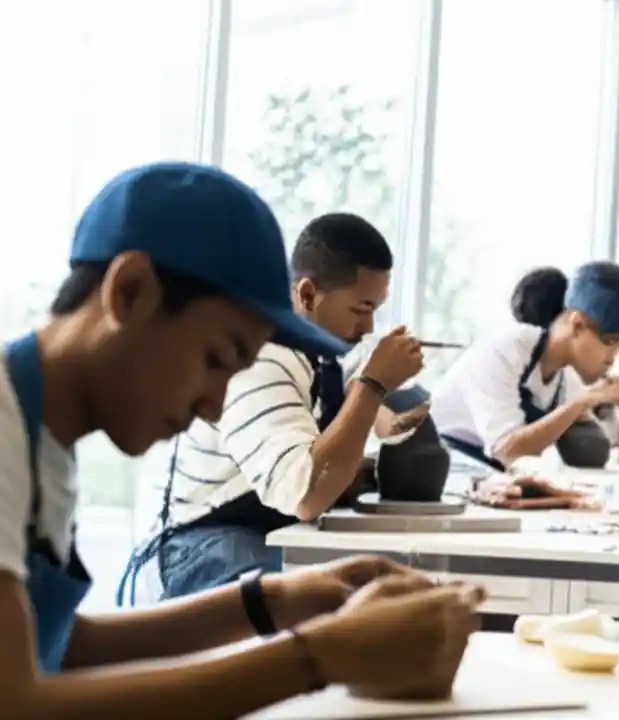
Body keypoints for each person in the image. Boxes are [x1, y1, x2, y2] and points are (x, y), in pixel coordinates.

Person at [1, 162, 483, 718]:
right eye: (216, 360)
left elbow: (60, 645)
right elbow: (14, 702)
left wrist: (275, 600)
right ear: (130, 292)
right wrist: (318, 656)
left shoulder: (44, 444)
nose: (213, 403)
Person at [120, 213, 429, 602]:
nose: (369, 327)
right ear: (307, 295)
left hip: (257, 530)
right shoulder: (263, 355)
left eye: (375, 309)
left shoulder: (325, 354)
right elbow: (305, 495)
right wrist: (373, 385)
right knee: (306, 620)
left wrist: (390, 399)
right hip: (197, 542)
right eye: (360, 309)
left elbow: (385, 426)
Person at [430, 262, 619, 470]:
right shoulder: (506, 349)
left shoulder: (565, 373)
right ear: (577, 324)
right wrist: (580, 403)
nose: (613, 356)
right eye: (611, 341)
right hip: (446, 466)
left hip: (492, 475)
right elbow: (507, 450)